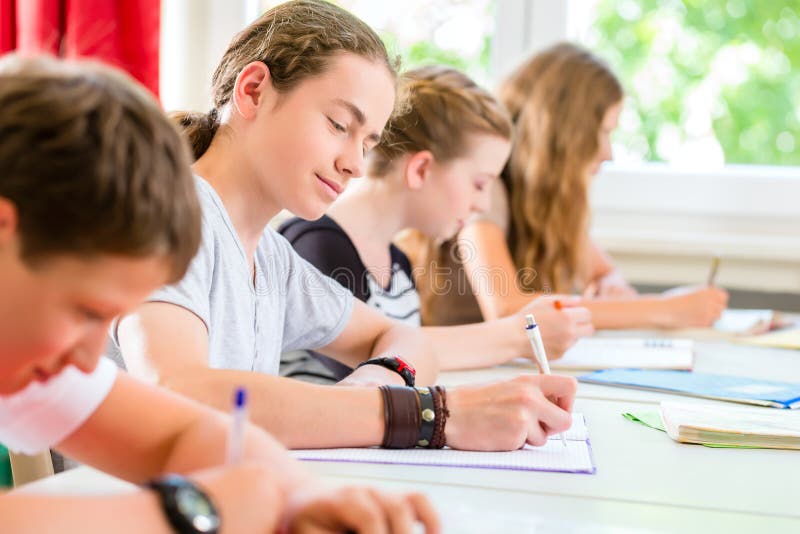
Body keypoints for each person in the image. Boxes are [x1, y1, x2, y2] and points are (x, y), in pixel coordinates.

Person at [111, 0, 577, 453]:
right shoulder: (166, 216)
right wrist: (426, 415)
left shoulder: (273, 260)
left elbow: (404, 338)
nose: (354, 163)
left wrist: (374, 385)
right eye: (339, 125)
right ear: (253, 90)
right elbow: (180, 394)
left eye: (368, 143)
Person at [0, 54, 438, 533]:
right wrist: (190, 512)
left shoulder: (36, 364)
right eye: (85, 312)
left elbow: (183, 432)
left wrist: (301, 495)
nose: (89, 361)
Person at [279, 65, 593, 384]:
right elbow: (374, 370)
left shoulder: (398, 264)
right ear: (422, 169)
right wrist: (514, 336)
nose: (482, 205)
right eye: (480, 183)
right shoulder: (316, 246)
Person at [407, 42, 728, 330]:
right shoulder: (486, 190)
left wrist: (610, 284)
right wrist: (663, 310)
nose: (608, 152)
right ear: (562, 135)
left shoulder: (548, 203)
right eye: (602, 132)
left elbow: (603, 273)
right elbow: (506, 309)